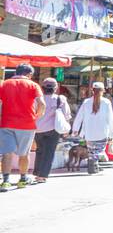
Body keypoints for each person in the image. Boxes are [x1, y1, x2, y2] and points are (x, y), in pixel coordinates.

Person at [0, 63, 45, 191]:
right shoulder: (33, 85)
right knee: (24, 154)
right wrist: (37, 115)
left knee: (7, 153)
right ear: (29, 74)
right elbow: (42, 104)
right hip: (26, 124)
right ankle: (23, 179)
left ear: (16, 72)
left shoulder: (4, 84)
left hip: (6, 123)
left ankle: (6, 181)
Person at [71, 81, 113, 174]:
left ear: (92, 90)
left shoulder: (86, 102)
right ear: (103, 90)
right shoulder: (106, 102)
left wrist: (75, 129)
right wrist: (112, 134)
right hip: (102, 133)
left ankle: (93, 164)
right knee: (99, 150)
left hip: (89, 133)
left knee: (91, 151)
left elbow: (79, 116)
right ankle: (94, 164)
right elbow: (110, 119)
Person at [33, 78, 71, 183]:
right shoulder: (60, 99)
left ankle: (37, 173)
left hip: (38, 129)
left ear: (43, 88)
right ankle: (42, 176)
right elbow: (66, 115)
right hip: (53, 129)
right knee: (49, 152)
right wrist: (67, 129)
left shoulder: (37, 99)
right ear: (55, 88)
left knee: (40, 150)